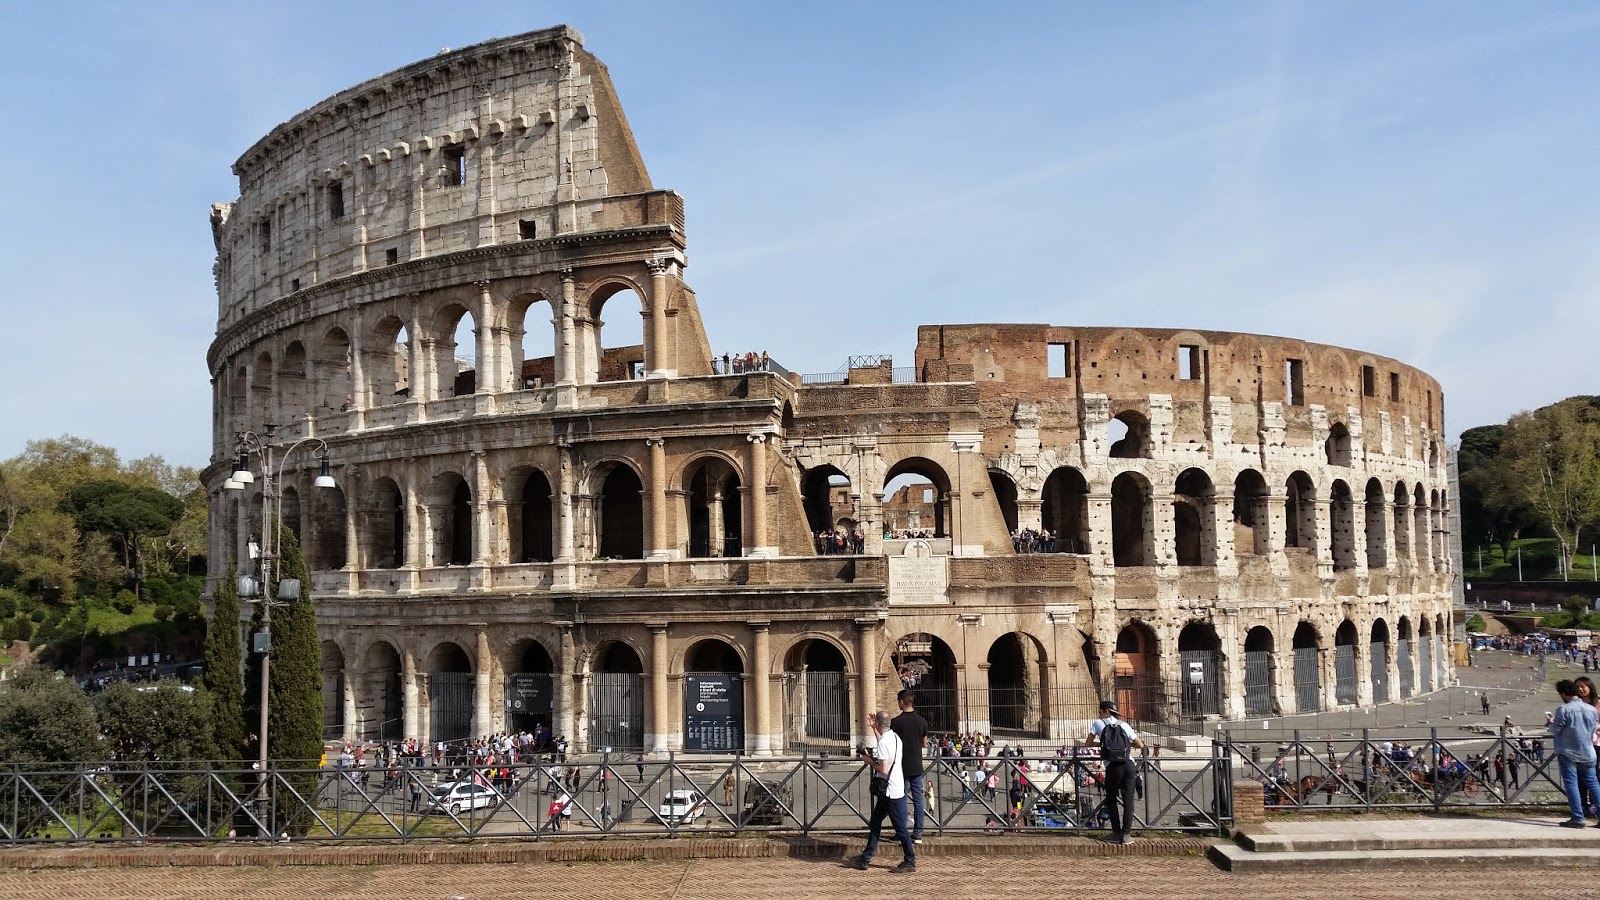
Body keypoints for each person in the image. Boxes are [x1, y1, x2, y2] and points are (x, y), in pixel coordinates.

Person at [844, 711, 916, 874]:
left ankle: (910, 860)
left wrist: (869, 761)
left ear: (878, 723)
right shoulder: (894, 737)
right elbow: (883, 744)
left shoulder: (884, 742)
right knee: (875, 822)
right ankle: (865, 858)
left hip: (891, 792)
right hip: (894, 788)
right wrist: (873, 728)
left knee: (900, 828)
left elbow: (883, 769)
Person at [1086, 698, 1144, 844]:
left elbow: (1088, 744)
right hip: (1129, 764)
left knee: (1111, 799)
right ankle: (1126, 835)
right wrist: (1124, 744)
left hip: (1113, 766)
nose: (1099, 715)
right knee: (1128, 800)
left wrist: (1103, 743)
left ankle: (1116, 833)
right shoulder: (1124, 725)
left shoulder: (1098, 723)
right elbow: (1140, 744)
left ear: (1106, 711)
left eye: (1100, 712)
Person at [1548, 679, 1600, 828]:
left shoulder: (1563, 709)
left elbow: (1555, 729)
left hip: (1568, 751)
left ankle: (1578, 817)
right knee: (1594, 784)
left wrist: (1550, 724)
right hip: (1588, 751)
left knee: (1572, 784)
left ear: (1563, 693)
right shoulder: (1591, 709)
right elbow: (1592, 729)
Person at [890, 688, 929, 844]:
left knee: (901, 798)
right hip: (916, 764)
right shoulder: (921, 721)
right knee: (918, 799)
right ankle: (918, 833)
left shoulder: (896, 722)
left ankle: (902, 832)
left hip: (901, 765)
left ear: (901, 702)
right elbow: (924, 743)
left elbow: (892, 742)